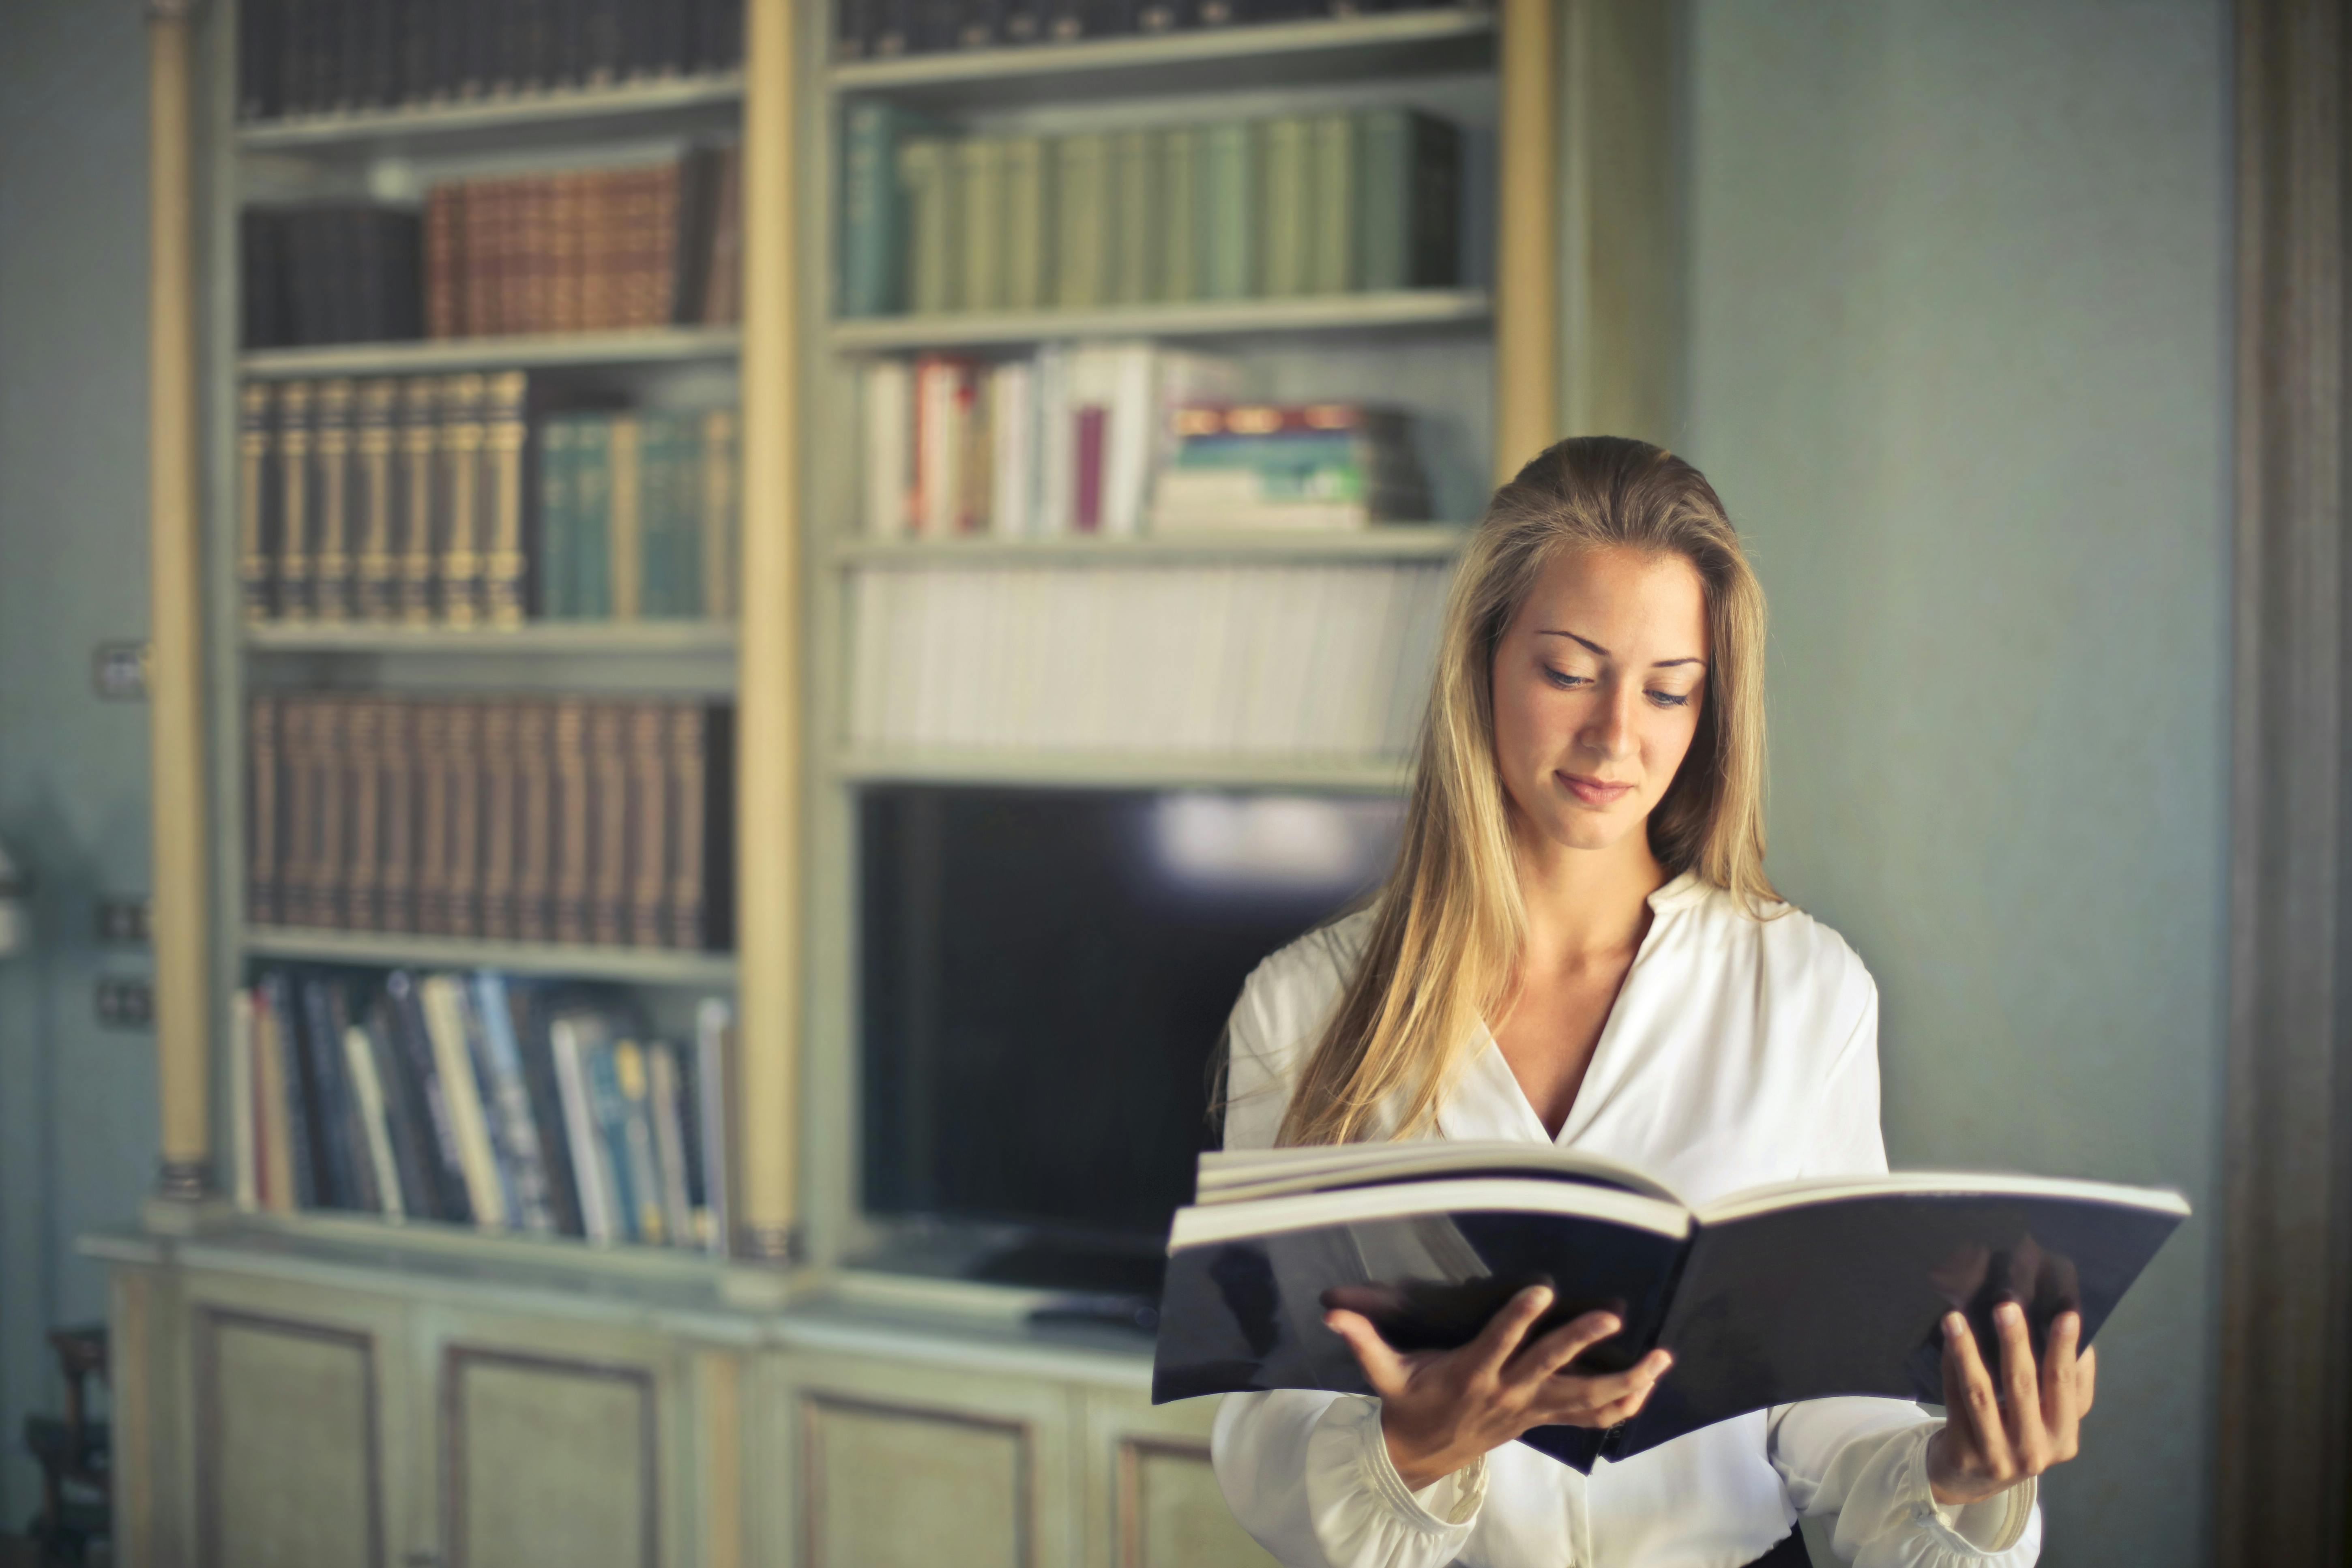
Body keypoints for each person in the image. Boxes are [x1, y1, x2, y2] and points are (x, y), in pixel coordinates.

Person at [1210, 436, 2092, 1568]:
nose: (1617, 735)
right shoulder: (1302, 1009)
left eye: (1670, 688)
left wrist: (1958, 1479)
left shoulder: (1807, 991)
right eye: (1570, 671)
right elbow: (1264, 1432)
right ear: (1482, 660)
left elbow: (1830, 1411)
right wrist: (1409, 1446)